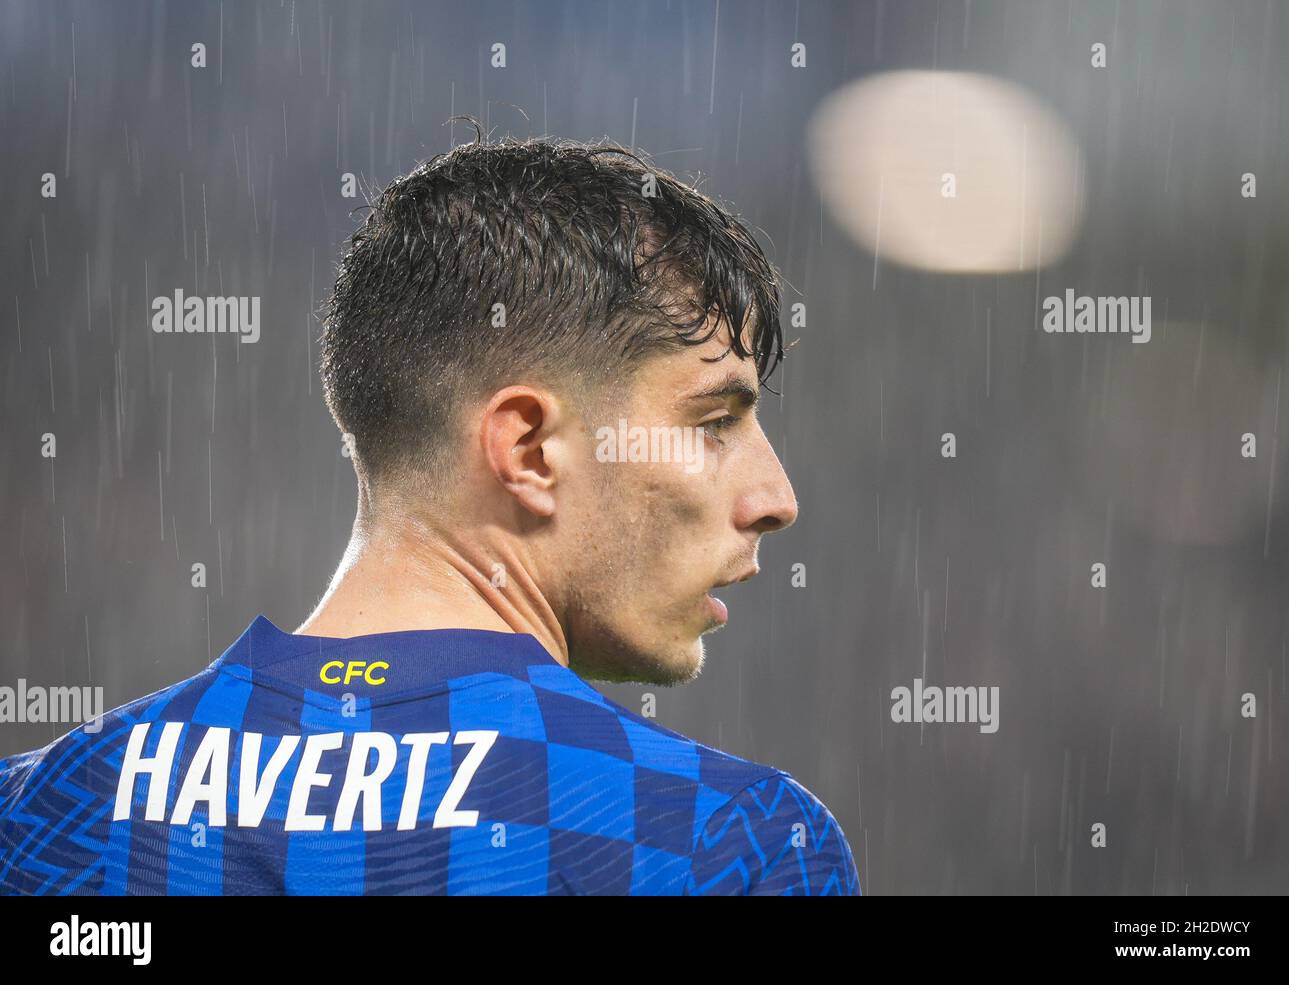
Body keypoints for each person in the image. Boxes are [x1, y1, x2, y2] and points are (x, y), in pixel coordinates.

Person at [0, 123, 859, 895]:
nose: (774, 499)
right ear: (527, 450)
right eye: (712, 422)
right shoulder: (727, 846)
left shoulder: (39, 815)